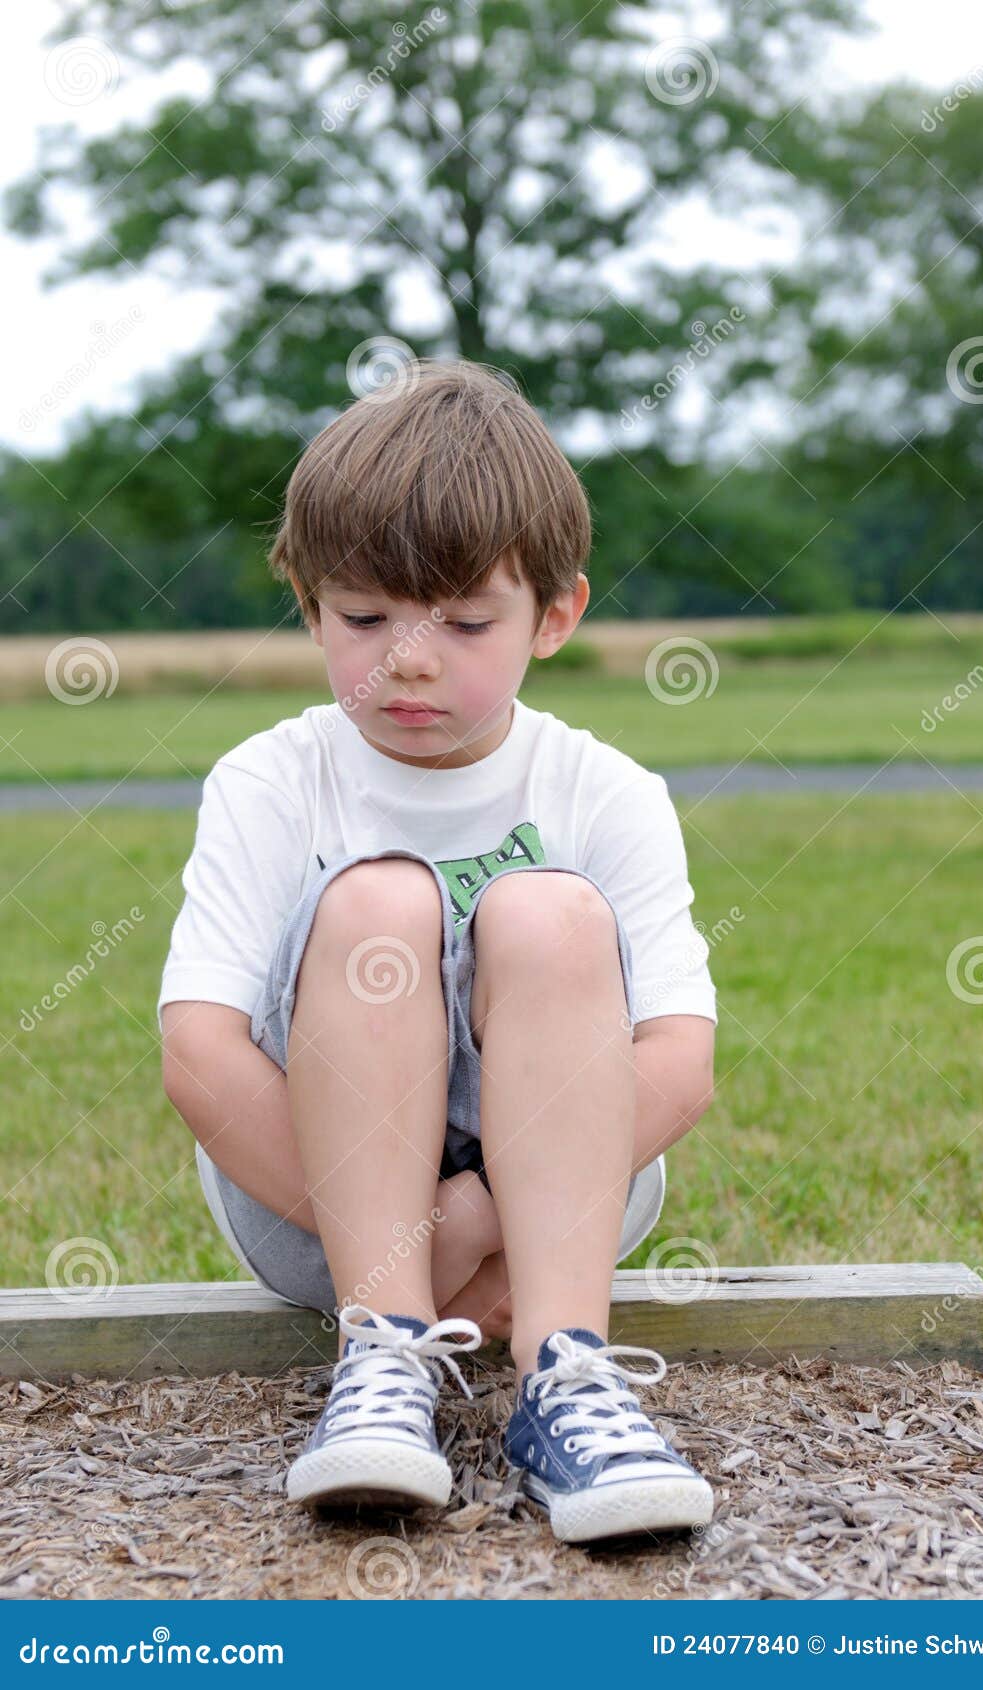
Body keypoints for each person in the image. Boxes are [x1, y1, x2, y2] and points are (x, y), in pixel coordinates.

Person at [158, 358, 718, 1545]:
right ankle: (385, 1350)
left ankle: (566, 1369)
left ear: (554, 615)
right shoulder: (274, 778)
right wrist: (406, 1242)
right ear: (308, 602)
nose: (408, 658)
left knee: (552, 914)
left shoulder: (602, 789)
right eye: (365, 617)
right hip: (308, 1199)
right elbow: (201, 1057)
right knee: (374, 908)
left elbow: (677, 1059)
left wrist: (464, 1220)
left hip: (560, 1202)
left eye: (464, 622)